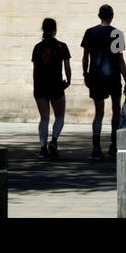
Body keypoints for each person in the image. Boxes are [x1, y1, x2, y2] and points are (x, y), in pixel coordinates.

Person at [81, 4, 126, 161]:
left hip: (96, 76)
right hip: (113, 76)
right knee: (116, 111)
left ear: (98, 15)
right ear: (112, 16)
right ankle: (114, 146)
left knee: (98, 113)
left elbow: (85, 57)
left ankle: (96, 147)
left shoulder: (90, 32)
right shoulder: (117, 33)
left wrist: (85, 75)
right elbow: (120, 59)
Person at [31, 18, 71, 160]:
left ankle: (42, 148)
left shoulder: (37, 47)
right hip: (56, 85)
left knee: (44, 118)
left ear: (43, 29)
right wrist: (68, 81)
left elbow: (35, 70)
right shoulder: (62, 46)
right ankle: (53, 141)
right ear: (55, 30)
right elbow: (67, 66)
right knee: (60, 116)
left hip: (41, 86)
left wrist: (35, 86)